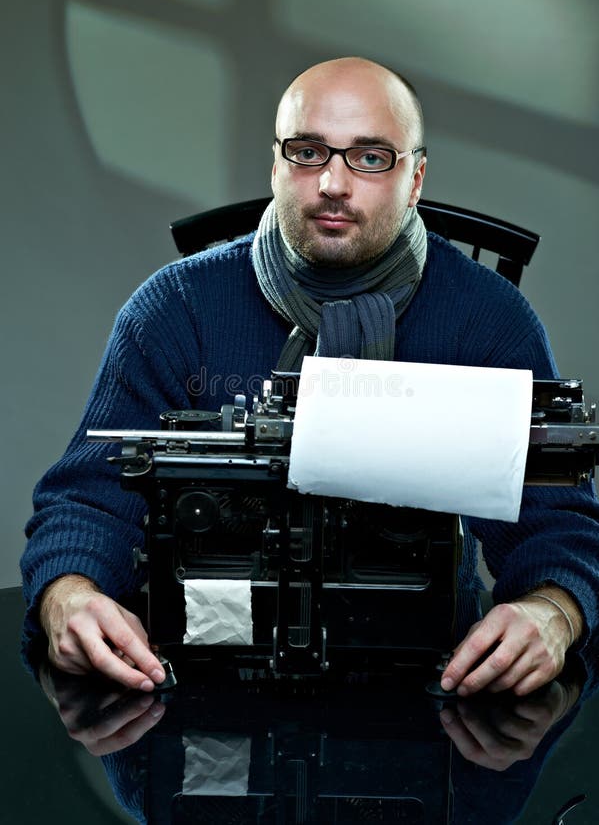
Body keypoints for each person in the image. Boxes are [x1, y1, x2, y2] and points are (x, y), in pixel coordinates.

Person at [21, 57, 599, 698]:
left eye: (371, 158)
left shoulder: (488, 321)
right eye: (308, 151)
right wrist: (66, 595)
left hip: (428, 679)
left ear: (415, 179)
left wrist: (555, 610)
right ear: (276, 164)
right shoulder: (175, 309)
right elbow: (88, 501)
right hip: (211, 674)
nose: (332, 182)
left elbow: (559, 525)